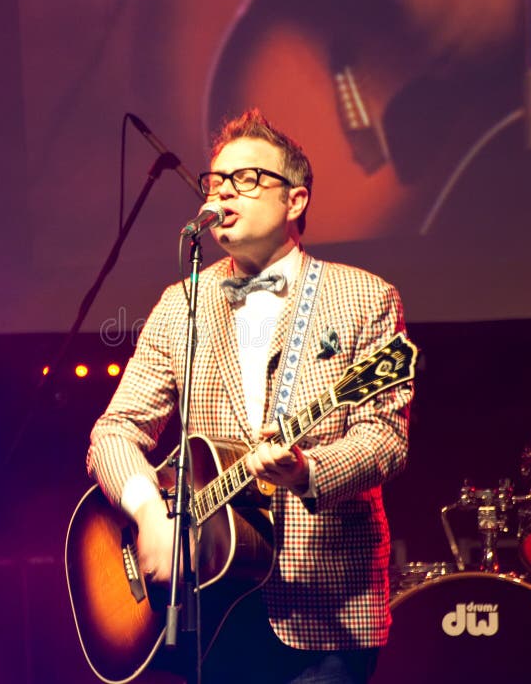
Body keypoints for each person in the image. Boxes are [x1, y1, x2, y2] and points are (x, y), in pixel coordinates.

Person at [86, 108, 413, 683]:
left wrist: (308, 470)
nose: (223, 193)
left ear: (296, 200)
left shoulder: (366, 297)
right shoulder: (181, 302)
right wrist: (148, 515)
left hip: (326, 610)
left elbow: (384, 437)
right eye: (215, 181)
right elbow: (115, 432)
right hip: (208, 611)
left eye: (247, 179)